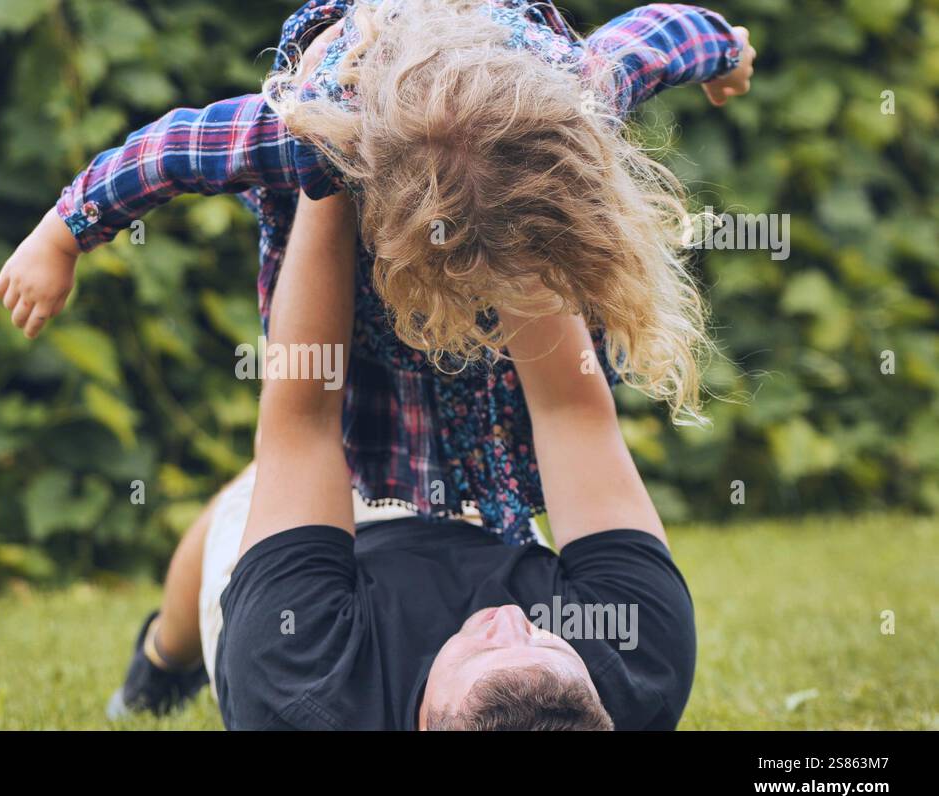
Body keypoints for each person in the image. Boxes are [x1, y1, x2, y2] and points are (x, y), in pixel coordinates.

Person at [0, 0, 758, 547]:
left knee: (496, 431)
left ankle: (488, 531)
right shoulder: (316, 135)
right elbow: (172, 151)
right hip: (365, 310)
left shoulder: (576, 95)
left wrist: (728, 50)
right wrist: (61, 234)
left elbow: (667, 33)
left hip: (504, 230)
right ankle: (172, 646)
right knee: (352, 450)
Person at [110, 190, 696, 730]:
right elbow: (572, 411)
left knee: (253, 490)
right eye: (548, 644)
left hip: (331, 598)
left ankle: (161, 660)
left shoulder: (298, 686)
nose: (514, 622)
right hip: (478, 522)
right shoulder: (636, 658)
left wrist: (324, 176)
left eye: (489, 649)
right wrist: (506, 178)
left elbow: (302, 425)